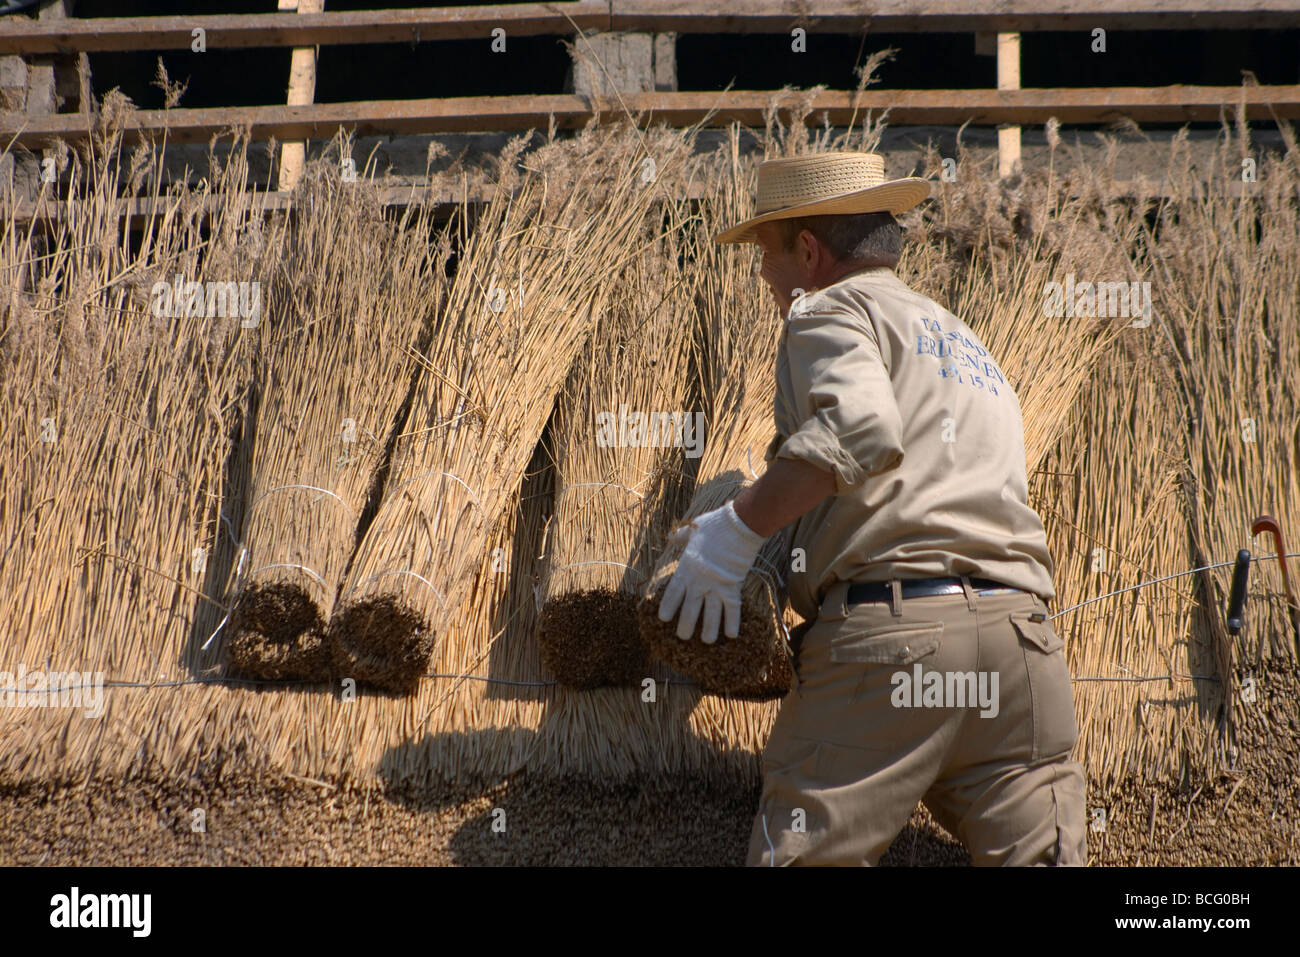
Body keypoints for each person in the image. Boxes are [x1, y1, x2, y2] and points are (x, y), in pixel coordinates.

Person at [656, 152, 1087, 866]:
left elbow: (858, 431)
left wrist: (734, 533)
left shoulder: (826, 309)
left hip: (893, 646)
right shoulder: (966, 343)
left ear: (807, 249)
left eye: (765, 253)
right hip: (1023, 655)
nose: (763, 274)